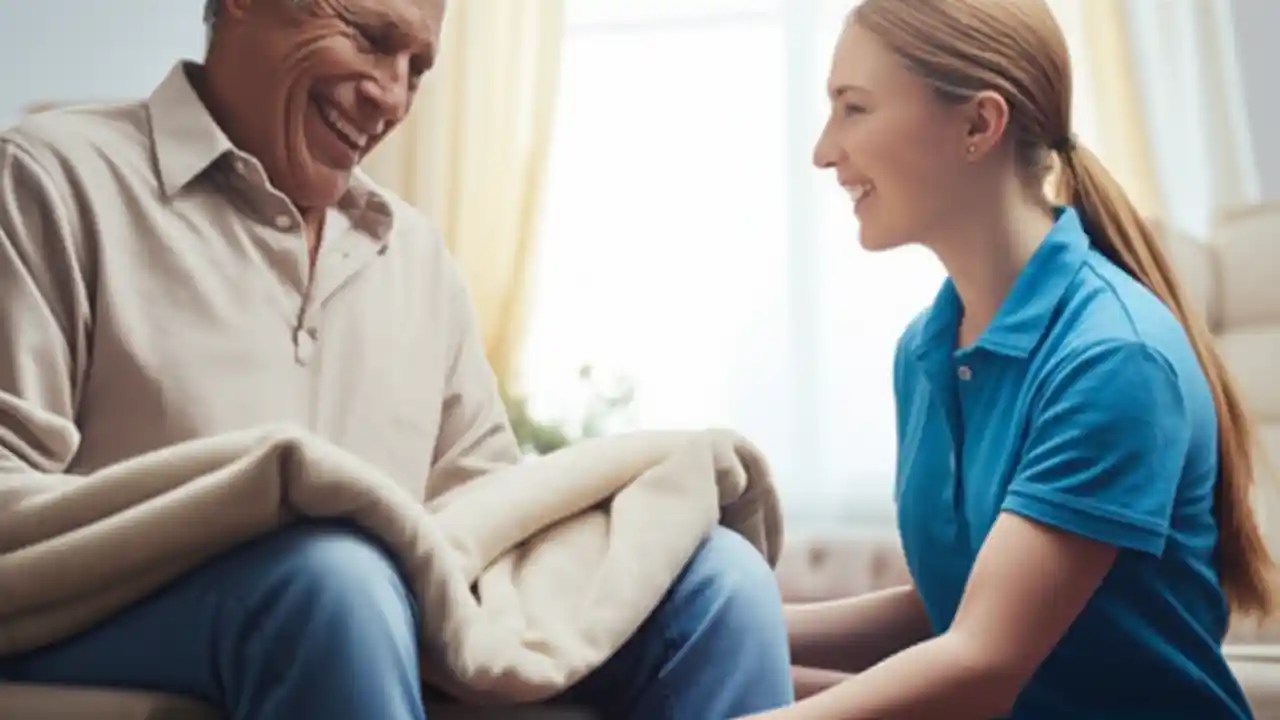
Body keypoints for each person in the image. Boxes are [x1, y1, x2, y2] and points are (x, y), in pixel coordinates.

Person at [0, 1, 795, 718]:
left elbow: (485, 512)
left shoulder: (414, 256)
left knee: (718, 580)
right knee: (332, 580)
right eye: (372, 39)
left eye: (417, 68)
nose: (392, 96)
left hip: (372, 609)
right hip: (106, 612)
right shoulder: (49, 178)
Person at [747, 1, 1274, 718]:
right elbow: (958, 608)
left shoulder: (1113, 358)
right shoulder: (928, 349)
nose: (824, 150)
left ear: (978, 125)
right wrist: (727, 628)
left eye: (855, 108)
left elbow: (983, 662)